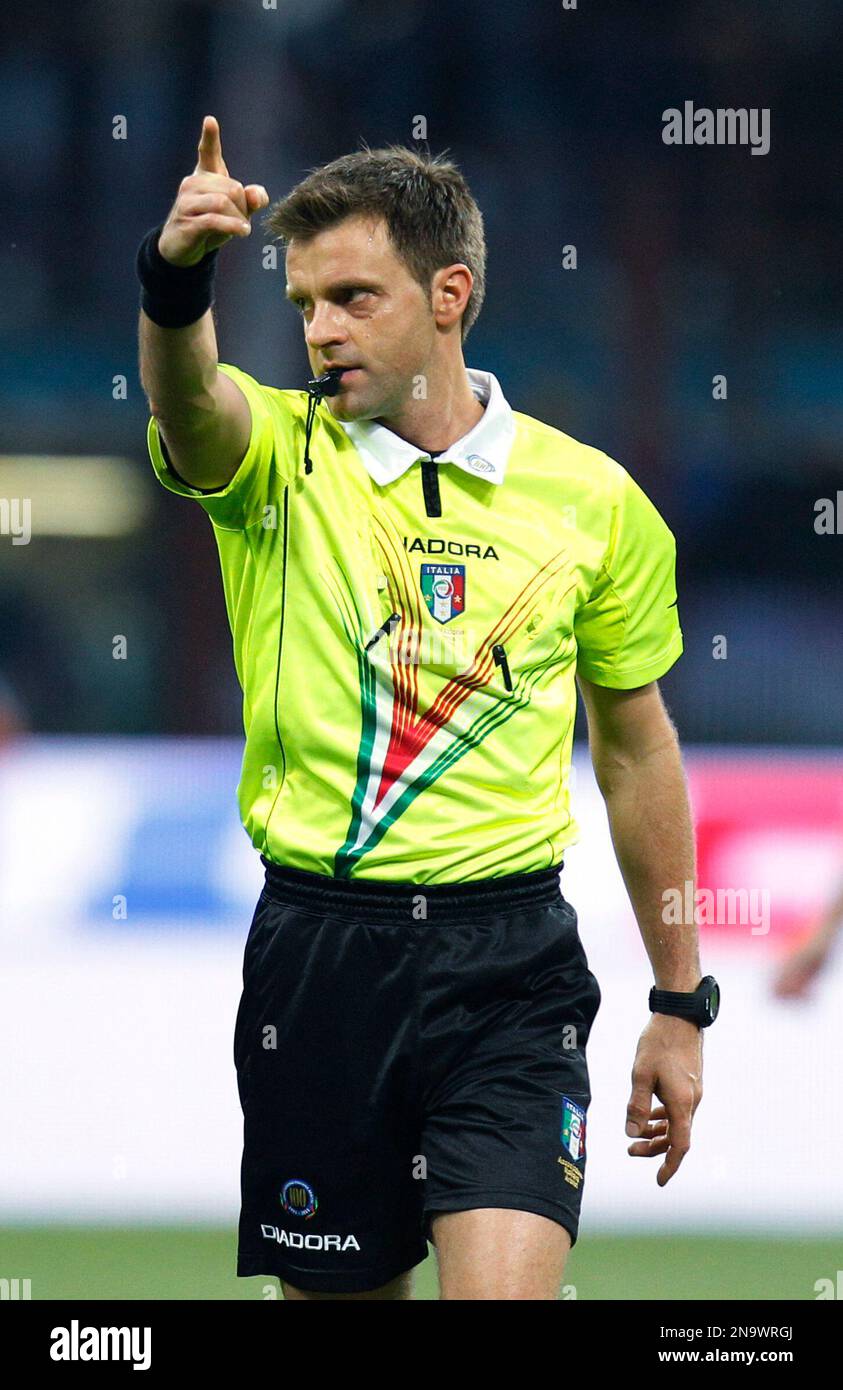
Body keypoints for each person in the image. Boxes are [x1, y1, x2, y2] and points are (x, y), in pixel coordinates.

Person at [136, 115, 715, 1301]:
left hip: (512, 971)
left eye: (352, 296)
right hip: (319, 961)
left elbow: (637, 749)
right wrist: (175, 272)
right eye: (303, 304)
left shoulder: (594, 500)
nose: (320, 332)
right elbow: (190, 401)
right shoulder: (279, 458)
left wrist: (677, 1001)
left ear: (449, 294)